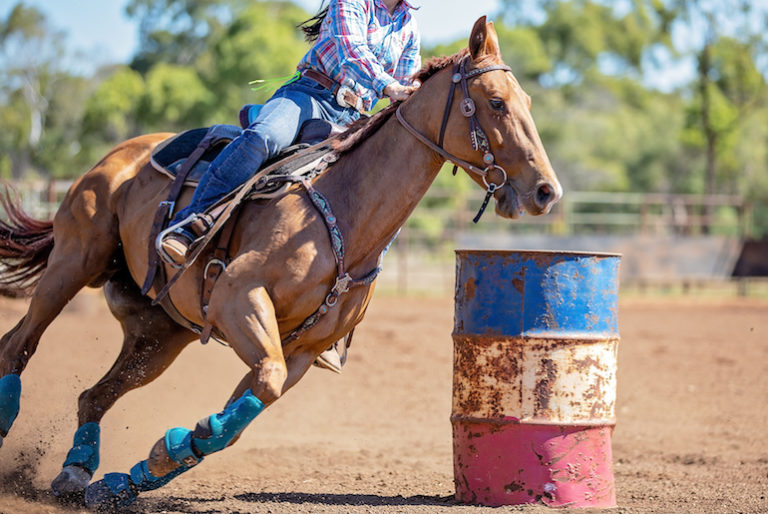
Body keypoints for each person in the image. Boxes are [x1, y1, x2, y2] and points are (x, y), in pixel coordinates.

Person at [160, 0, 422, 264]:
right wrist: (389, 86)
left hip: (354, 117)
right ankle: (189, 224)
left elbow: (407, 85)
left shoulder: (409, 25)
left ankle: (361, 272)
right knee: (264, 137)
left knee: (388, 187)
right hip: (310, 94)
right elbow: (351, 51)